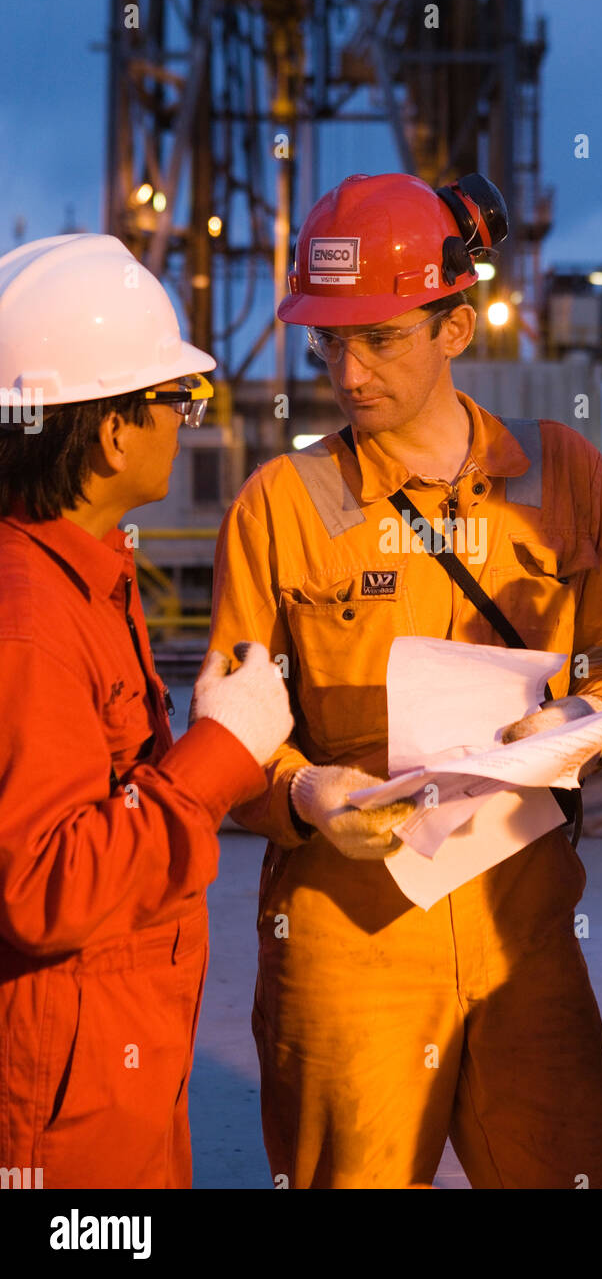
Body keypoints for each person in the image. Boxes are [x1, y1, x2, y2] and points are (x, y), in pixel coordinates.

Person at [209, 171, 602, 1189]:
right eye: (328, 341)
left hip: (522, 931)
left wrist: (592, 716)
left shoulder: (560, 475)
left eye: (379, 337)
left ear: (454, 327)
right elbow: (230, 740)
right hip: (348, 938)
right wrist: (302, 791)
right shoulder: (281, 506)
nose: (347, 371)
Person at [0, 234, 292, 1189]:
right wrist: (220, 751)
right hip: (61, 1103)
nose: (189, 421)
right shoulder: (32, 621)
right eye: (179, 400)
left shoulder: (78, 580)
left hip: (101, 1065)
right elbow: (46, 888)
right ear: (114, 431)